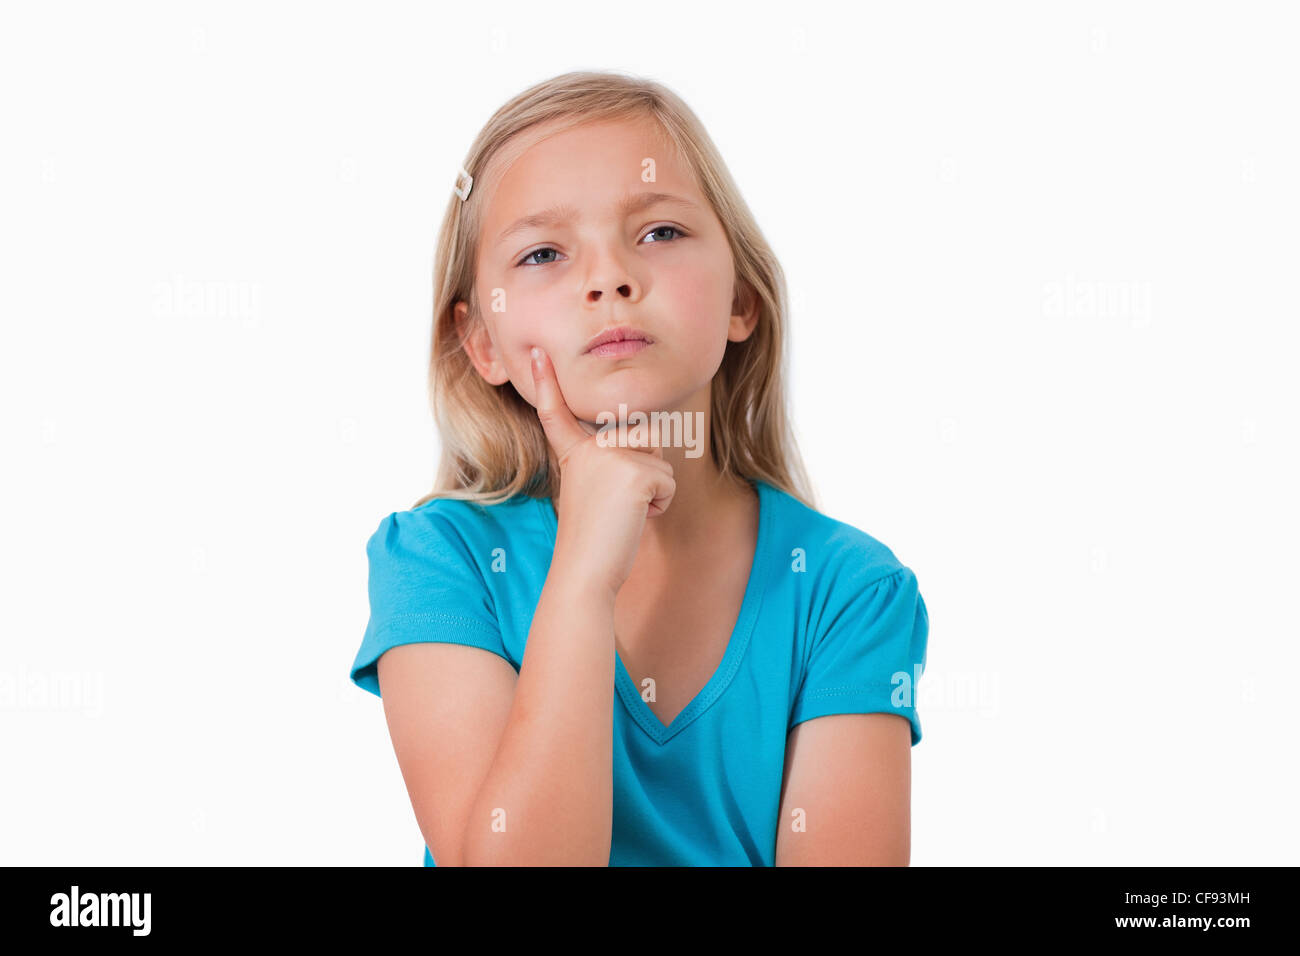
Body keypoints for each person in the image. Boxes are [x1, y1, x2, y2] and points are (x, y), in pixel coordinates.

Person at [349, 70, 929, 866]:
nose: (609, 279)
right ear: (481, 341)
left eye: (658, 233)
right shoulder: (437, 564)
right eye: (543, 253)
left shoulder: (849, 592)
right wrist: (585, 571)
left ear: (742, 300)